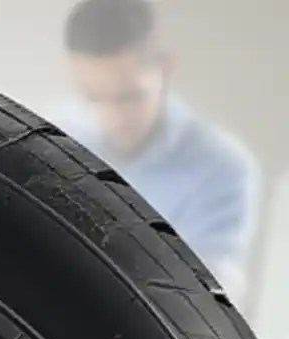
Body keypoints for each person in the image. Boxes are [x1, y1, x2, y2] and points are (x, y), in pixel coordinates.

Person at [53, 0, 259, 295]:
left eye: (128, 97)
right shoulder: (55, 138)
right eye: (93, 97)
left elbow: (207, 303)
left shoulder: (222, 168)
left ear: (164, 69)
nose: (111, 117)